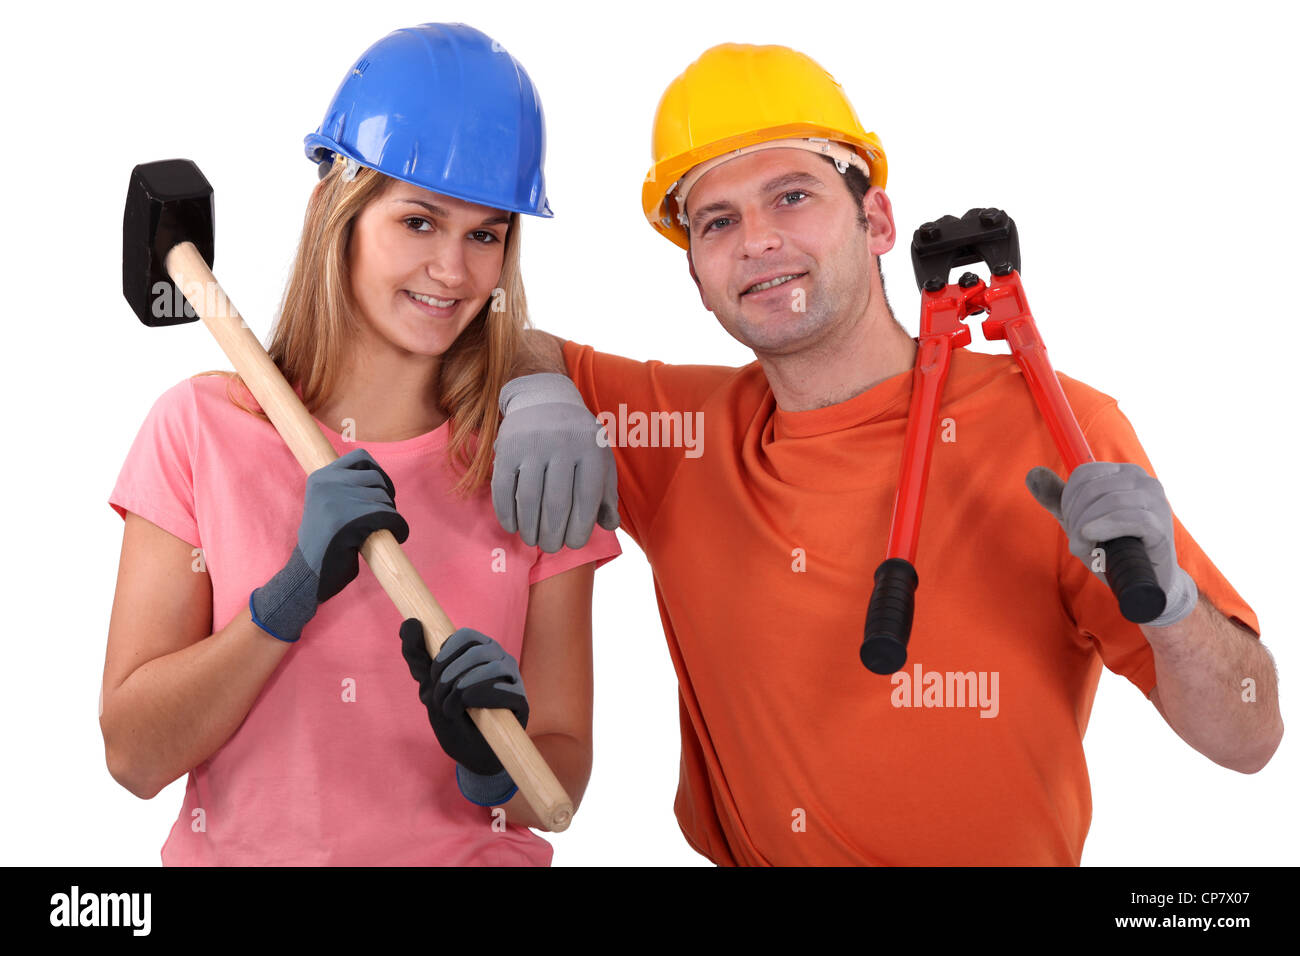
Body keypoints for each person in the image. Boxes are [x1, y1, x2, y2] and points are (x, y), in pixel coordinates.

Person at [491, 42, 1282, 865]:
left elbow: (1251, 736)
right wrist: (535, 388)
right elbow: (485, 335)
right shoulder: (679, 432)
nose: (757, 240)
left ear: (876, 222)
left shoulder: (1058, 432)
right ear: (695, 272)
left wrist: (1176, 608)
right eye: (718, 221)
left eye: (791, 196)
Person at [101, 22, 618, 866]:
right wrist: (291, 595)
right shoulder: (198, 431)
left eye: (485, 234)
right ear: (337, 211)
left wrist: (489, 762)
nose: (453, 271)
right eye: (419, 221)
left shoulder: (528, 459)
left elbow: (559, 785)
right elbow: (134, 756)